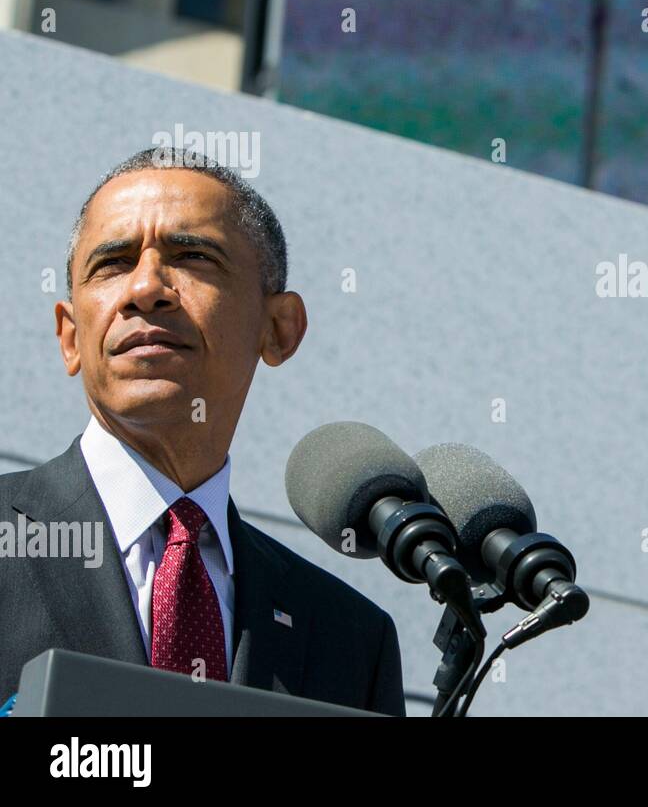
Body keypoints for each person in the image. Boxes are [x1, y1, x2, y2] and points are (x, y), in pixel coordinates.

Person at [0, 147, 405, 714]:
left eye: (191, 257)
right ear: (70, 337)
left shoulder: (350, 638)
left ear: (279, 328)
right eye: (113, 263)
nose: (146, 289)